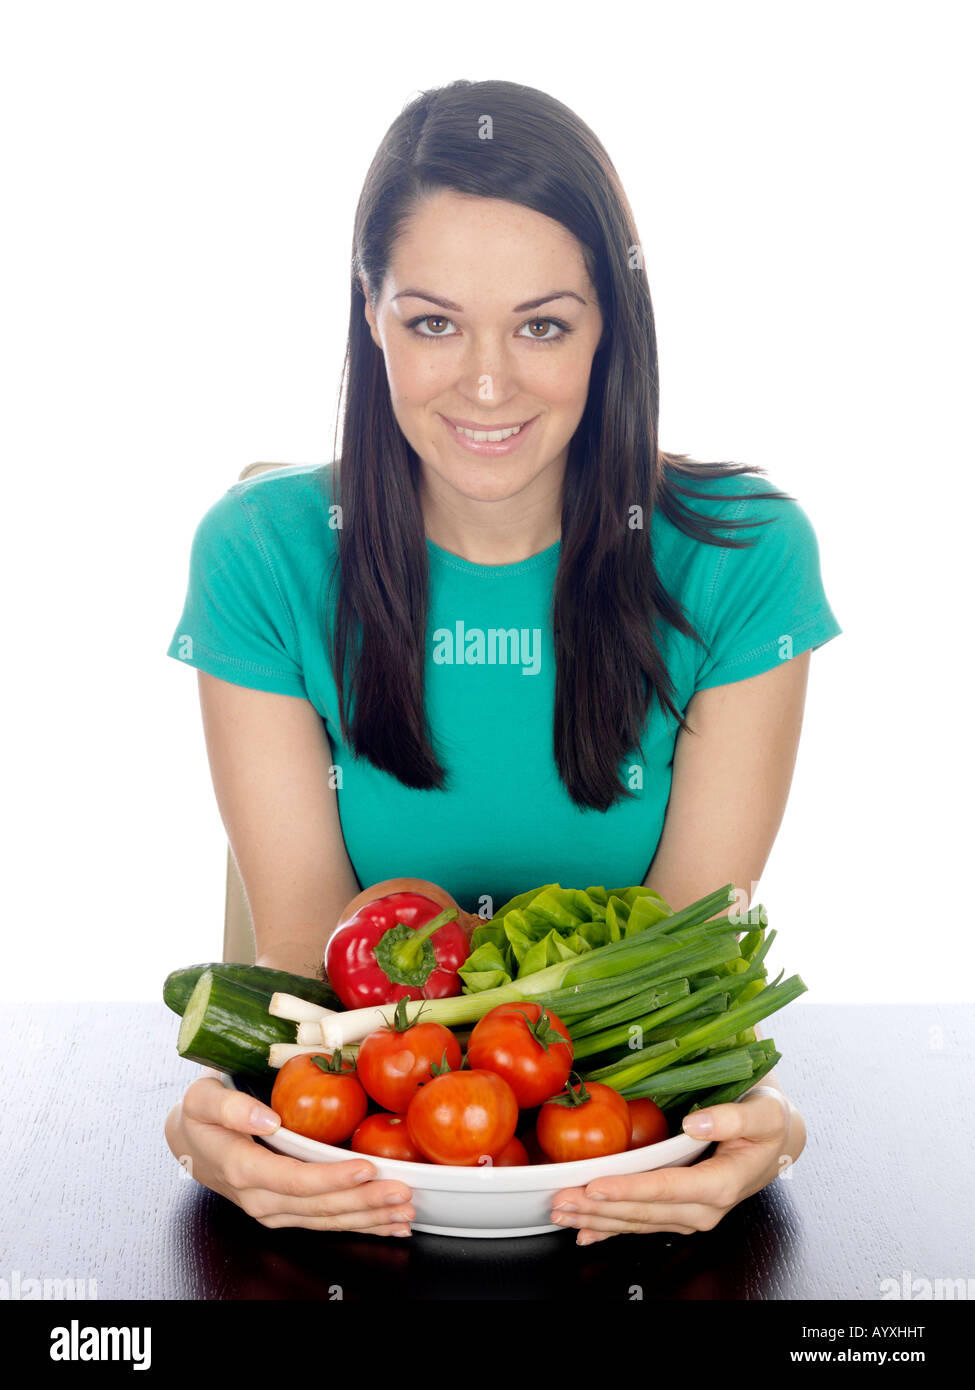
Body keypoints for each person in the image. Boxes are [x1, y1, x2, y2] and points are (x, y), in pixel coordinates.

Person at [164, 78, 841, 1244]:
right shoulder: (264, 554)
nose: (488, 382)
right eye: (432, 323)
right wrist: (208, 1126)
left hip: (613, 1167)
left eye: (543, 324)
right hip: (373, 1172)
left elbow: (681, 980)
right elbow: (310, 965)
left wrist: (768, 1124)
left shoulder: (742, 557)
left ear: (609, 329)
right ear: (369, 315)